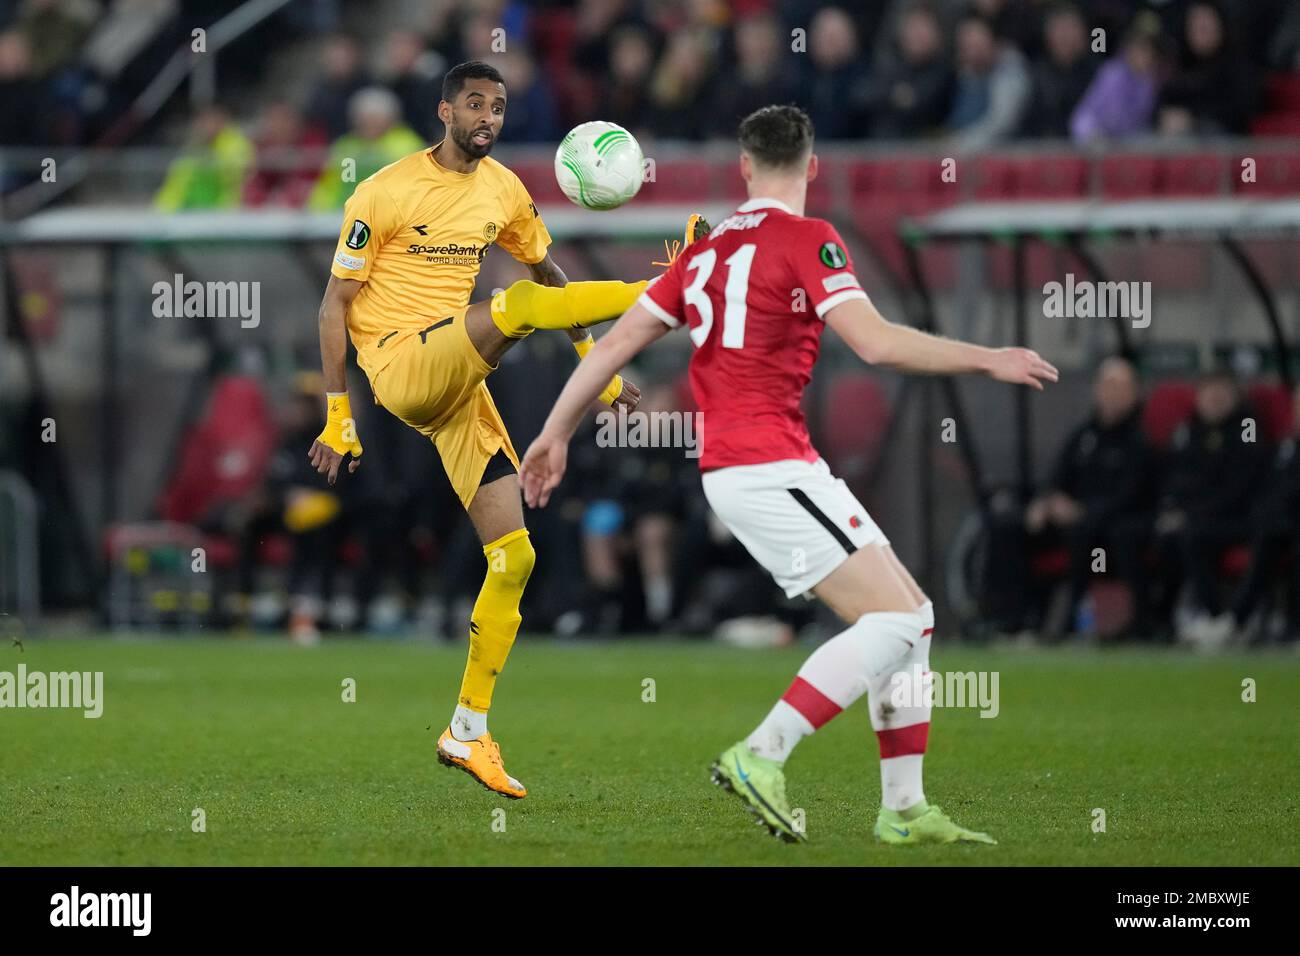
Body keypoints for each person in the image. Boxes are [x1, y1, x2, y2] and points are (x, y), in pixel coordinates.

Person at [519, 105, 1057, 846]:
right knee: (891, 621)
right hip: (763, 464)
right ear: (812, 167)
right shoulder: (811, 240)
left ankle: (903, 810)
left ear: (744, 167)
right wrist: (989, 356)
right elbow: (874, 344)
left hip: (763, 465)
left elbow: (613, 347)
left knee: (917, 618)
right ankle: (761, 754)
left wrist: (553, 434)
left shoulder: (701, 254)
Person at [307, 59, 700, 799]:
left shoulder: (506, 192)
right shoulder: (383, 191)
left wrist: (603, 368)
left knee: (513, 558)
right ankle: (671, 286)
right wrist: (340, 415)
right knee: (512, 303)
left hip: (459, 384)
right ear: (444, 112)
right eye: (475, 105)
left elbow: (556, 284)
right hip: (399, 369)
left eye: (499, 107)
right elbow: (333, 307)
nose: (488, 117)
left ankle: (467, 731)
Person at [982, 356, 1153, 636]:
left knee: (1082, 532)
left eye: (1121, 386)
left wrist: (1082, 511)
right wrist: (1044, 504)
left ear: (1135, 393)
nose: (1112, 393)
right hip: (1067, 520)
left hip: (1103, 529)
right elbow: (1057, 478)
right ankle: (1008, 619)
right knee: (1007, 526)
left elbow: (1132, 496)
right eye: (1107, 385)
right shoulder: (1083, 436)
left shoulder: (1139, 443)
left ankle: (1067, 625)